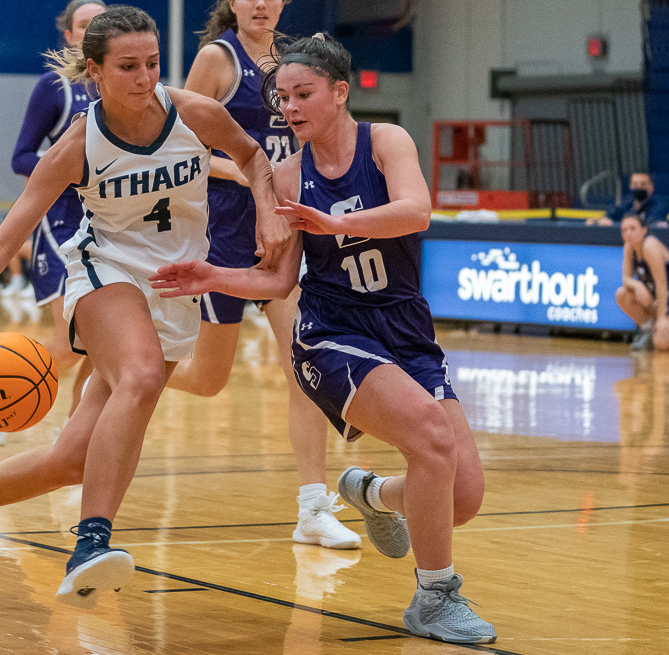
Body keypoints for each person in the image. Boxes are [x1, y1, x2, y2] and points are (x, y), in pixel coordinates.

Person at [0, 6, 289, 606]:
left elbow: (254, 158)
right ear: (96, 72)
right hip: (103, 270)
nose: (144, 77)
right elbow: (10, 231)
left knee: (74, 459)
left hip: (175, 284)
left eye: (153, 63)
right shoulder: (80, 142)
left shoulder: (193, 112)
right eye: (128, 66)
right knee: (136, 375)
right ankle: (92, 541)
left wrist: (267, 207)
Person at [151, 34, 497, 644]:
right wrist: (212, 275)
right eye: (282, 97)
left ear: (340, 92)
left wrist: (338, 223)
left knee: (461, 497)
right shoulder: (286, 176)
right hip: (331, 333)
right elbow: (280, 279)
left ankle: (370, 492)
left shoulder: (387, 142)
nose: (289, 107)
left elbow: (417, 210)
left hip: (405, 327)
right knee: (431, 437)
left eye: (302, 93)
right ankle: (435, 596)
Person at [166, 0, 359, 549]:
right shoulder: (216, 58)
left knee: (303, 359)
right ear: (232, 0)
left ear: (284, 1)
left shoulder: (296, 63)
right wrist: (255, 177)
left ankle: (312, 507)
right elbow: (181, 145)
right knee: (207, 380)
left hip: (283, 230)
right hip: (223, 230)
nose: (260, 4)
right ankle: (130, 361)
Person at [8, 0, 106, 417]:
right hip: (62, 219)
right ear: (69, 35)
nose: (93, 31)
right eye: (84, 25)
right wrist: (67, 166)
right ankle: (7, 391)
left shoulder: (124, 82)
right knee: (74, 340)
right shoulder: (55, 86)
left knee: (96, 344)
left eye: (100, 23)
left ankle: (72, 433)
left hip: (111, 221)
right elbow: (21, 156)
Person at [616, 213, 669, 352]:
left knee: (662, 343)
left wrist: (661, 319)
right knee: (622, 294)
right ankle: (647, 331)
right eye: (624, 230)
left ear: (644, 230)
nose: (628, 233)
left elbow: (661, 283)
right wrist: (638, 285)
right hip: (659, 300)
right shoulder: (629, 248)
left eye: (633, 228)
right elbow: (625, 278)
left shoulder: (650, 245)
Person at [587, 172, 669, 226]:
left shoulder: (660, 205)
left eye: (643, 184)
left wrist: (614, 224)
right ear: (630, 186)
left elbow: (651, 225)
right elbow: (609, 216)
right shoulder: (625, 203)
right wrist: (597, 221)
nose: (639, 188)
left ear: (651, 187)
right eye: (635, 184)